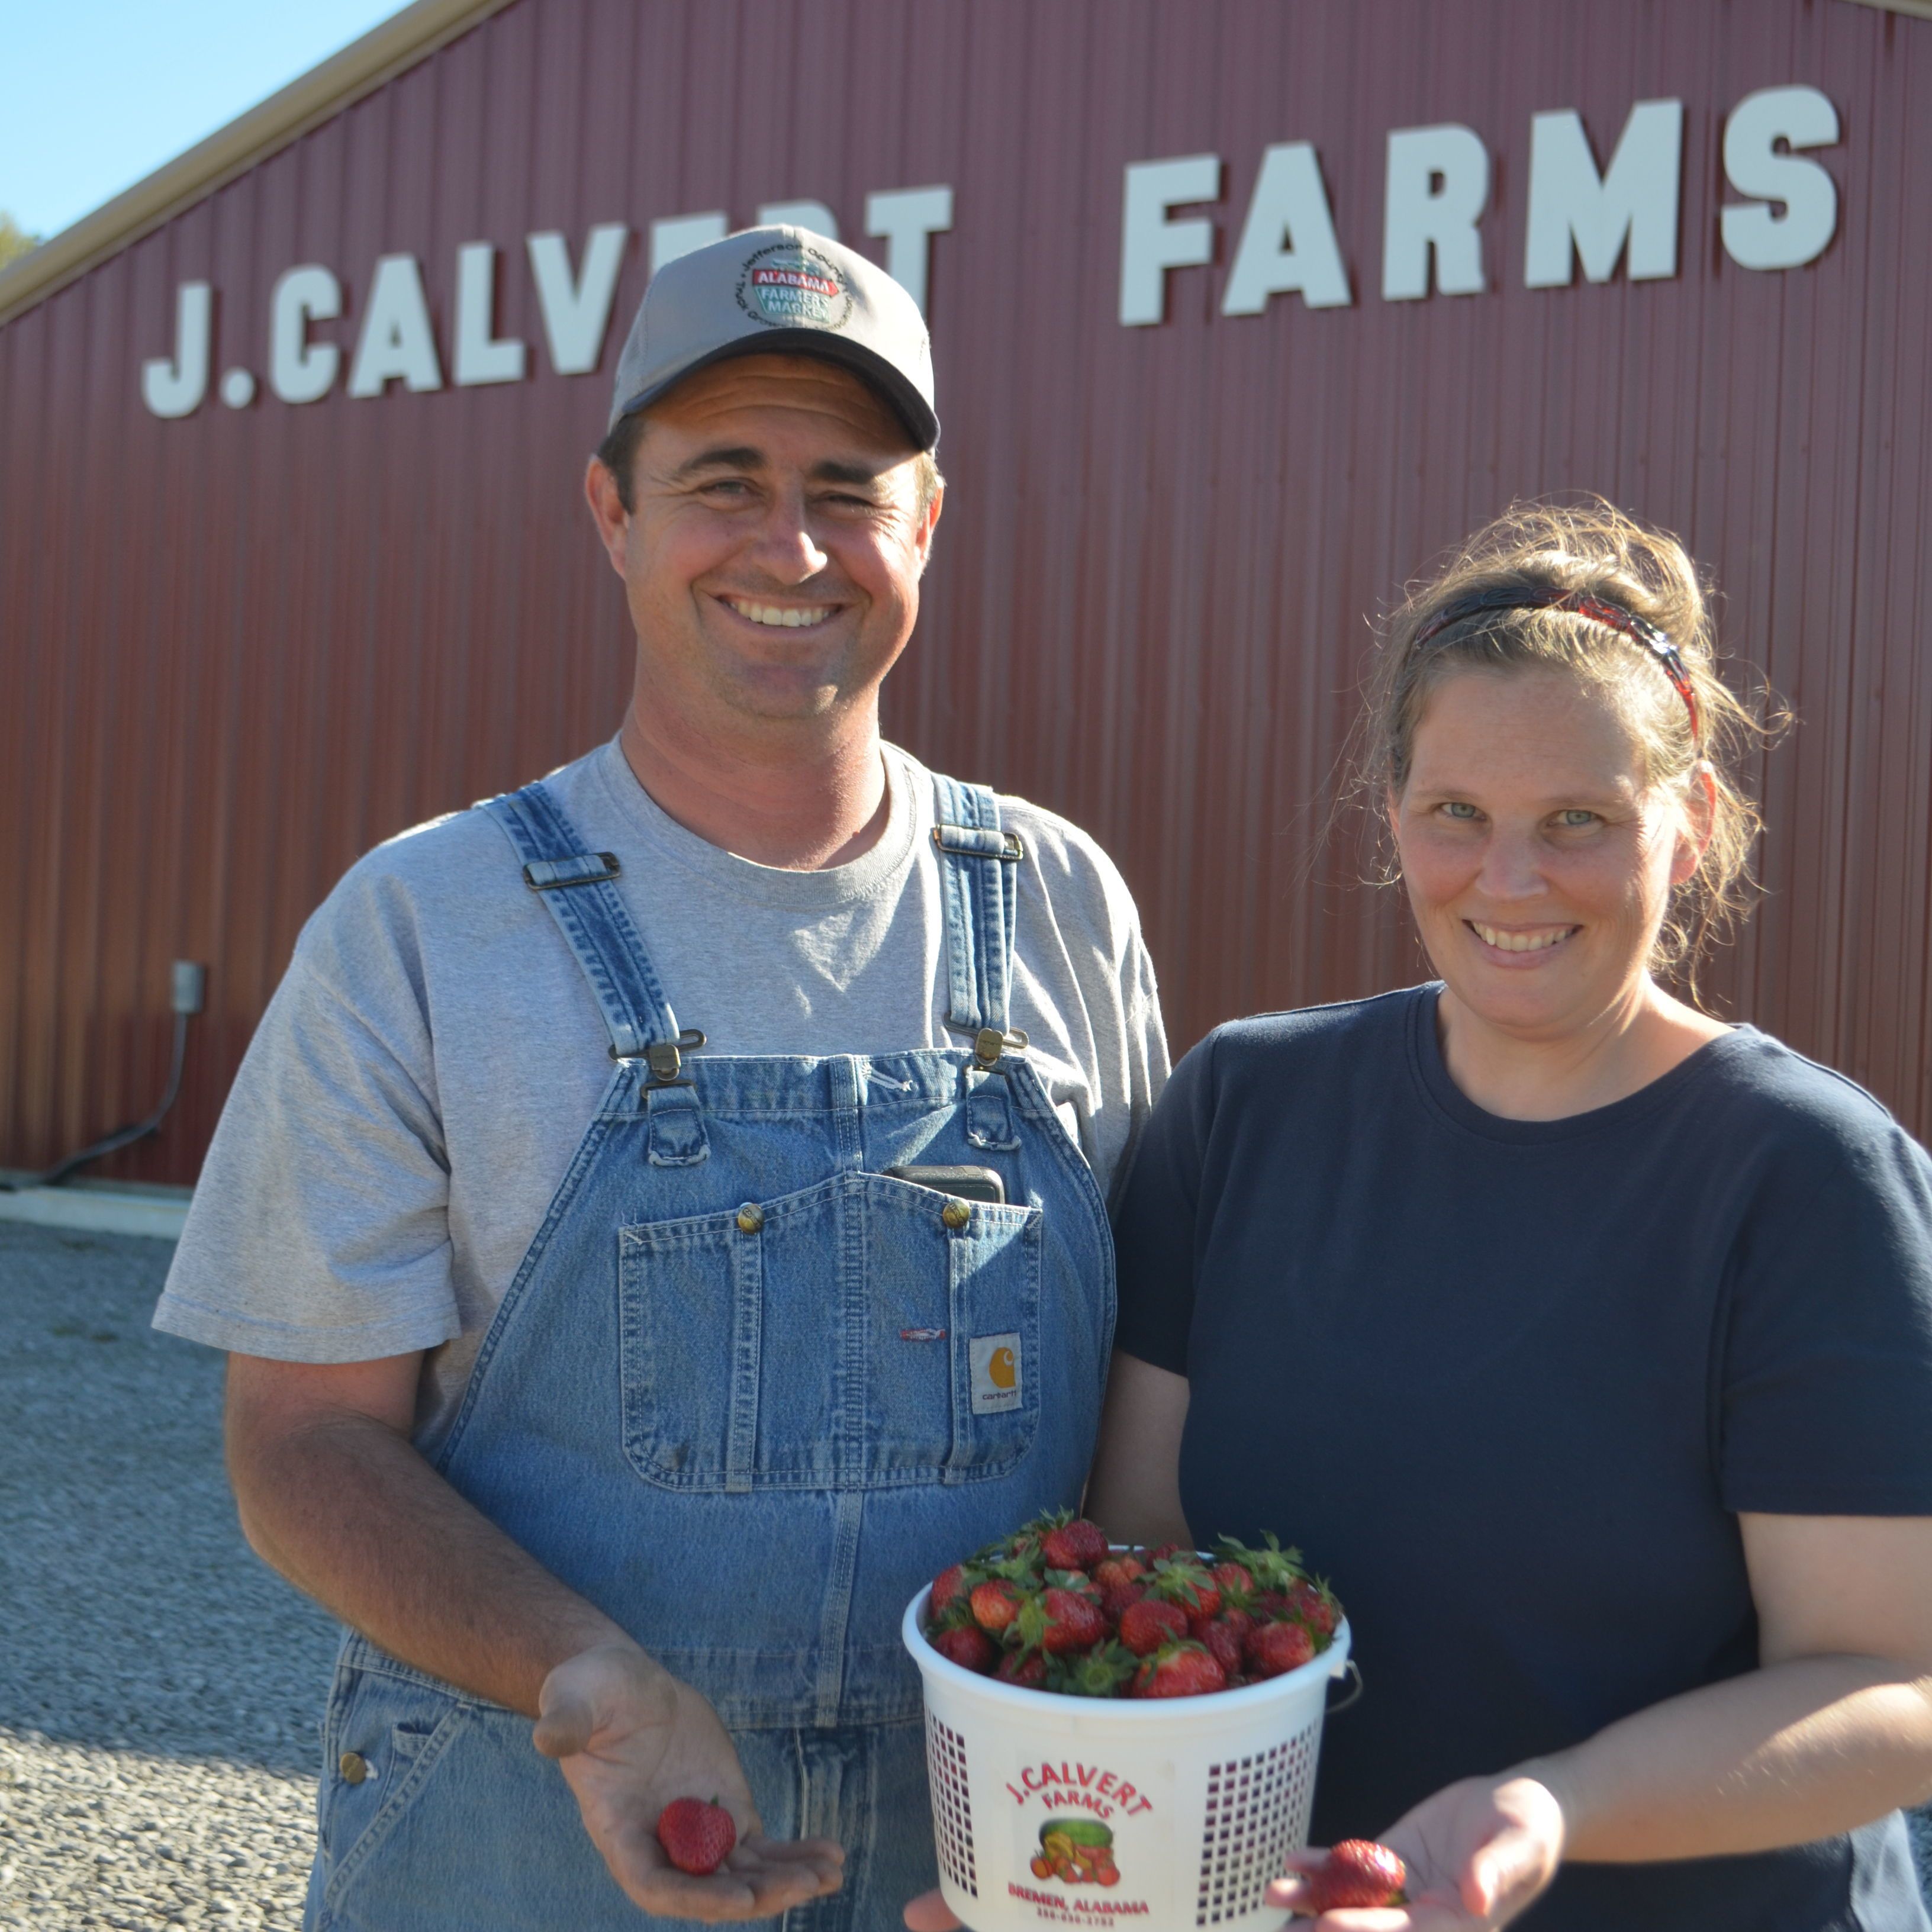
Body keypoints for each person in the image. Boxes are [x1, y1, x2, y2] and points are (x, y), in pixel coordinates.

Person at [153, 226, 1167, 1931]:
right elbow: (302, 1444)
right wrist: (582, 1674)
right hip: (524, 1837)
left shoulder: (1060, 903)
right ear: (612, 513)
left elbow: (1142, 1422)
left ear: (928, 523)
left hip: (983, 1859)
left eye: (848, 490)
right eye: (724, 482)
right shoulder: (427, 924)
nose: (792, 545)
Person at [1081, 504, 1932, 1930]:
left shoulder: (1804, 1176)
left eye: (1578, 822)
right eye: (1458, 815)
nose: (1512, 879)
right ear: (1394, 814)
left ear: (1690, 823)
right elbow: (1145, 1549)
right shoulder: (1242, 1108)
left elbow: (1892, 1689)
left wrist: (1553, 1807)